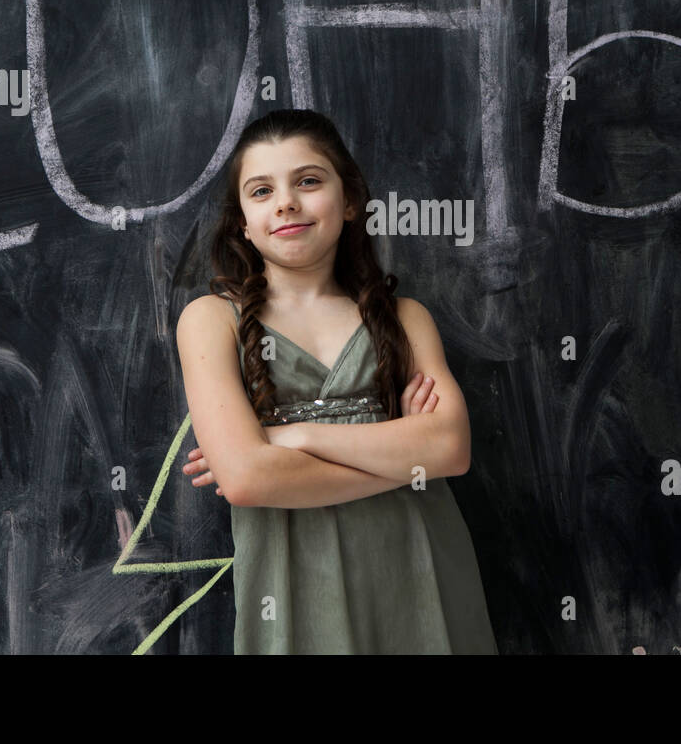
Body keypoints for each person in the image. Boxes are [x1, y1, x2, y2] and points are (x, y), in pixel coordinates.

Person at [173, 109, 498, 654]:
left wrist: (293, 436)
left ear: (348, 201)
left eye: (308, 181)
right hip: (293, 586)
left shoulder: (405, 318)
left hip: (420, 576)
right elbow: (249, 479)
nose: (286, 203)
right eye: (261, 191)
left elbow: (450, 448)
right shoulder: (210, 319)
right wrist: (401, 460)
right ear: (243, 224)